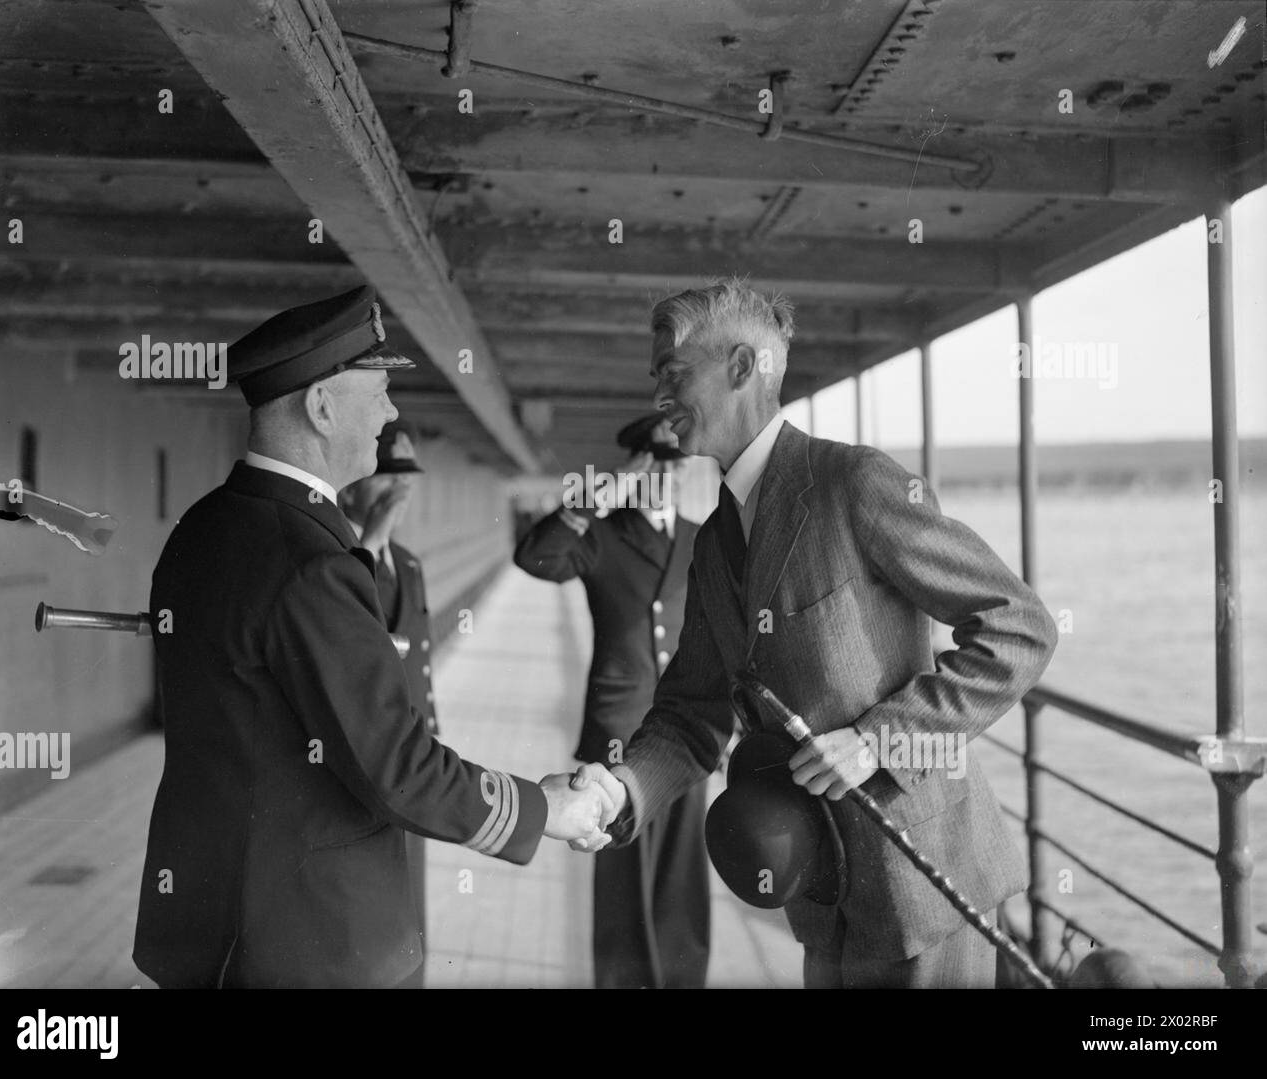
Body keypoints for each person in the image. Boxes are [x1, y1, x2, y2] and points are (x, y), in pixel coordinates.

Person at [575, 278, 1058, 988]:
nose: (660, 395)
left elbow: (1020, 627)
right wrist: (619, 791)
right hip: (821, 896)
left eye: (674, 373)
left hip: (923, 891)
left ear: (743, 368)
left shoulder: (852, 483)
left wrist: (880, 738)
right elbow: (690, 713)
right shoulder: (713, 543)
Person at [133, 285, 611, 989]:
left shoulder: (200, 529)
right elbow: (398, 766)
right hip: (300, 941)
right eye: (380, 390)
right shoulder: (313, 564)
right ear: (322, 409)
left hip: (208, 922)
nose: (389, 413)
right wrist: (546, 809)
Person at [514, 414, 711, 989]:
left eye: (679, 464)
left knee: (680, 876)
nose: (672, 474)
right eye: (660, 464)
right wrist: (602, 494)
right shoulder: (600, 533)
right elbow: (536, 558)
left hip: (690, 730)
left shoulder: (702, 537)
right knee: (622, 877)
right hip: (617, 734)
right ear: (638, 468)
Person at [339, 419, 437, 988]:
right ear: (351, 484)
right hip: (365, 764)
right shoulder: (335, 558)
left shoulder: (410, 562)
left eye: (406, 478)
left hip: (415, 764)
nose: (399, 491)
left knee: (411, 907)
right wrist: (369, 543)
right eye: (385, 478)